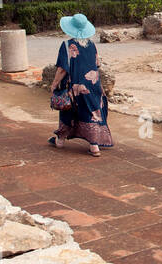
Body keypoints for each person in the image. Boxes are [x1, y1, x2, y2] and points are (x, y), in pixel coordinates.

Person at [48, 13, 114, 156]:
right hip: (92, 86)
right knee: (91, 112)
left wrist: (54, 84)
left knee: (68, 111)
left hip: (74, 86)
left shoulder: (67, 45)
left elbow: (62, 69)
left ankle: (60, 141)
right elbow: (96, 65)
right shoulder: (92, 46)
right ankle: (94, 146)